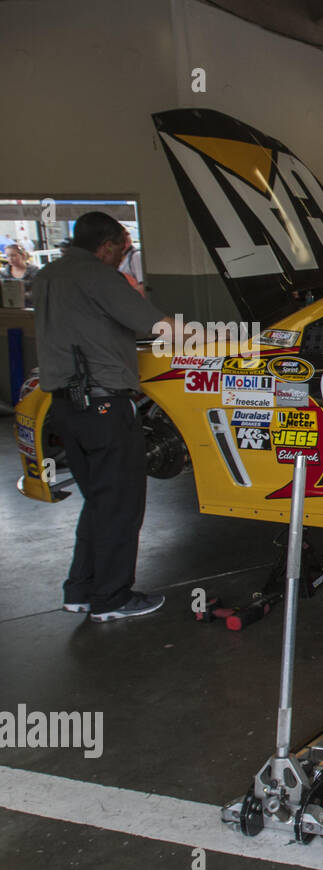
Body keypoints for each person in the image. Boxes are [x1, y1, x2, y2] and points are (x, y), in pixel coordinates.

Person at [33, 212, 182, 622]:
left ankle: (79, 589)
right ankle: (112, 598)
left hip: (65, 407)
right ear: (107, 245)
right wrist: (217, 338)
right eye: (123, 247)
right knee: (120, 504)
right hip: (103, 406)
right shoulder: (99, 276)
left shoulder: (49, 275)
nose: (123, 255)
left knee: (99, 501)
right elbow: (155, 326)